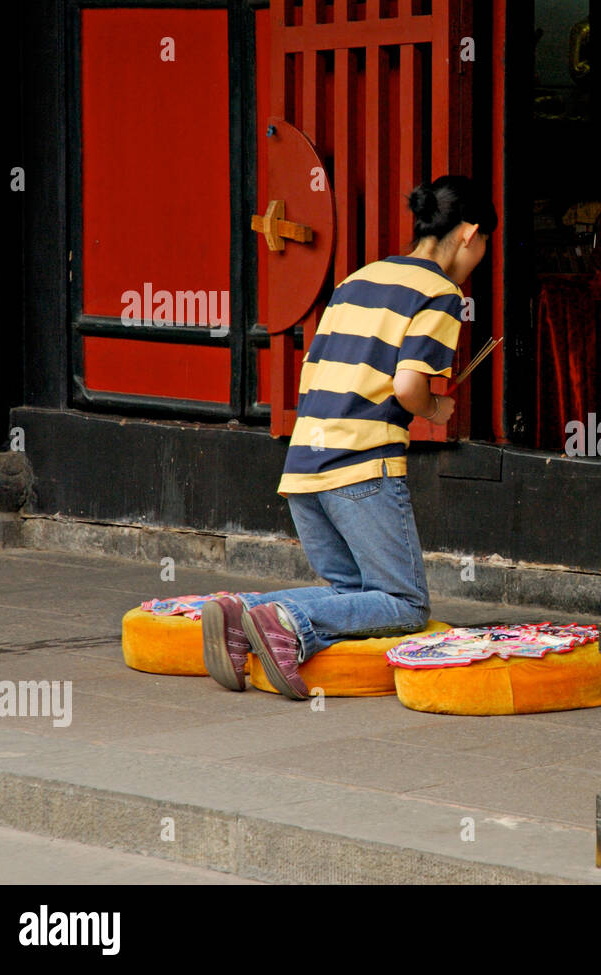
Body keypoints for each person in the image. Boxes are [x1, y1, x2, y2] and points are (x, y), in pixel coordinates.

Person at [202, 175, 497, 700]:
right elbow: (408, 386)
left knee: (350, 595)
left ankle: (240, 613)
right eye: (483, 249)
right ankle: (284, 619)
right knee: (403, 604)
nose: (477, 263)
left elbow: (314, 372)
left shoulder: (358, 279)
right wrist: (436, 407)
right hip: (363, 465)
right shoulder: (439, 292)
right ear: (470, 234)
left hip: (303, 463)